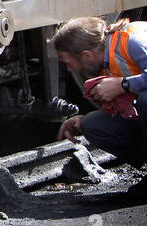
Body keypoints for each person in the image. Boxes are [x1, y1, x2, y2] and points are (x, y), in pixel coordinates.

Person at [55, 15, 147, 167]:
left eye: (68, 63)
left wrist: (122, 85)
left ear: (87, 56)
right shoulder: (104, 62)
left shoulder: (132, 40)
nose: (68, 69)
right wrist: (81, 119)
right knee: (92, 123)